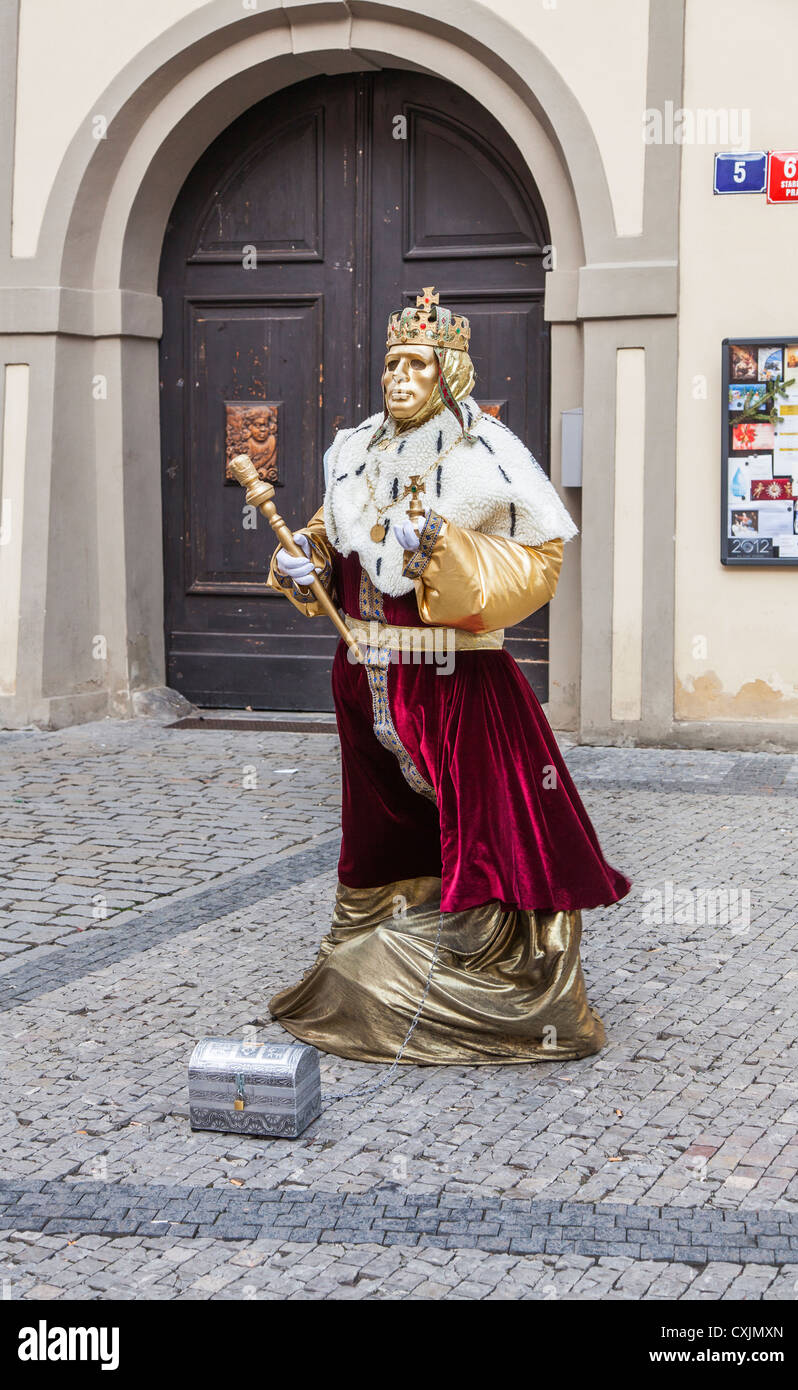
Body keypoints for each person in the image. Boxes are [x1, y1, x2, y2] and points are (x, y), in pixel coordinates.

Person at [266, 288, 631, 1064]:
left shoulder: (488, 453)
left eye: (417, 364)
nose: (398, 376)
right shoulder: (355, 447)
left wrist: (441, 548)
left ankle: (490, 959)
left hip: (457, 683)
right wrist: (306, 562)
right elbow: (330, 537)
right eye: (392, 362)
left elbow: (538, 565)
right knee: (380, 820)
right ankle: (373, 934)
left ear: (449, 373)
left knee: (489, 819)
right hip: (363, 675)